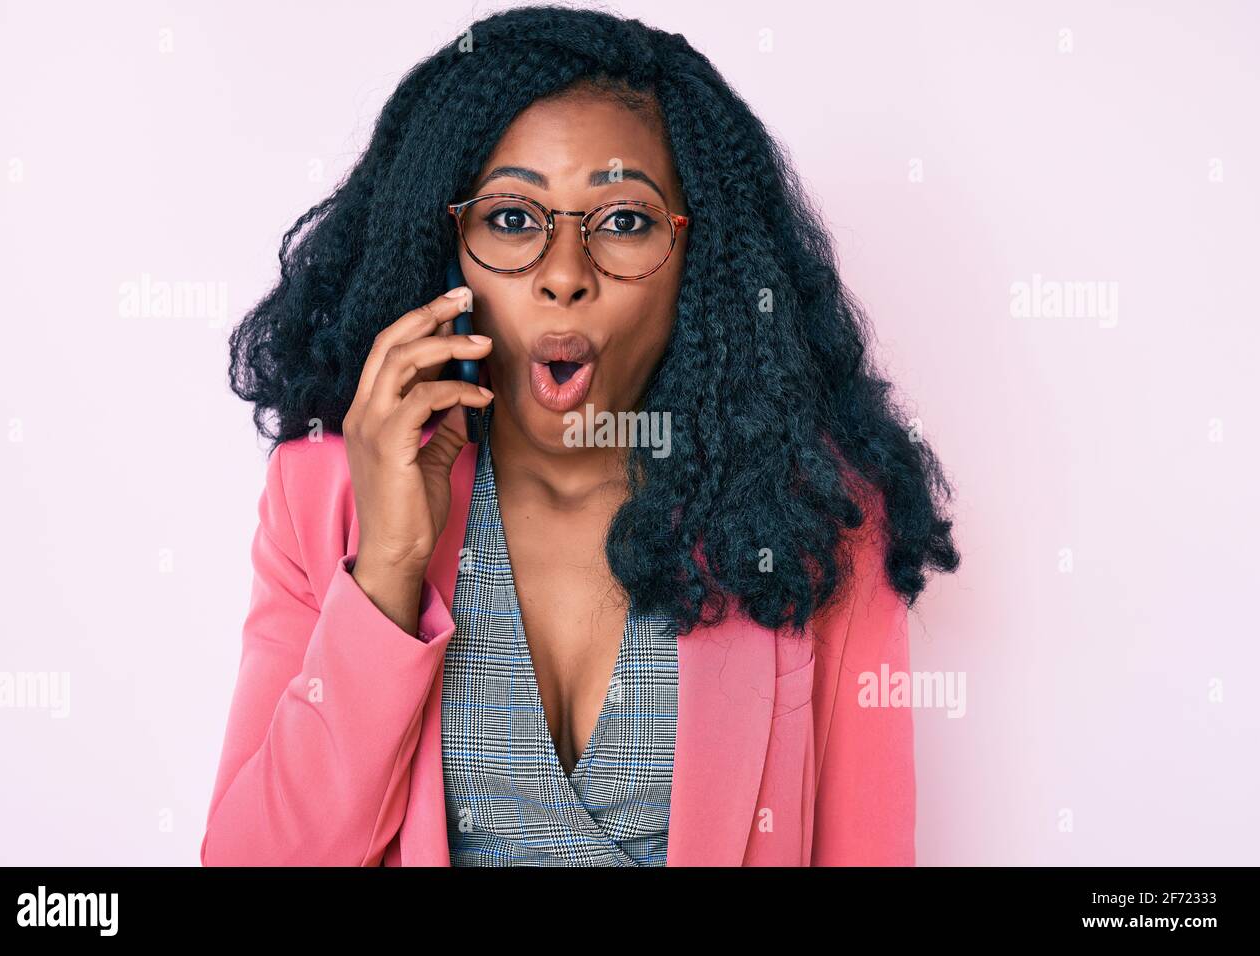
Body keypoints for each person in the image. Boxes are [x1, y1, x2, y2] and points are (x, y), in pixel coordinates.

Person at [203, 4, 959, 867]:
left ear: (699, 263)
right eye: (513, 219)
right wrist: (386, 571)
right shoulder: (321, 498)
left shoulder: (818, 516)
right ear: (442, 249)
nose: (565, 275)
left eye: (626, 221)